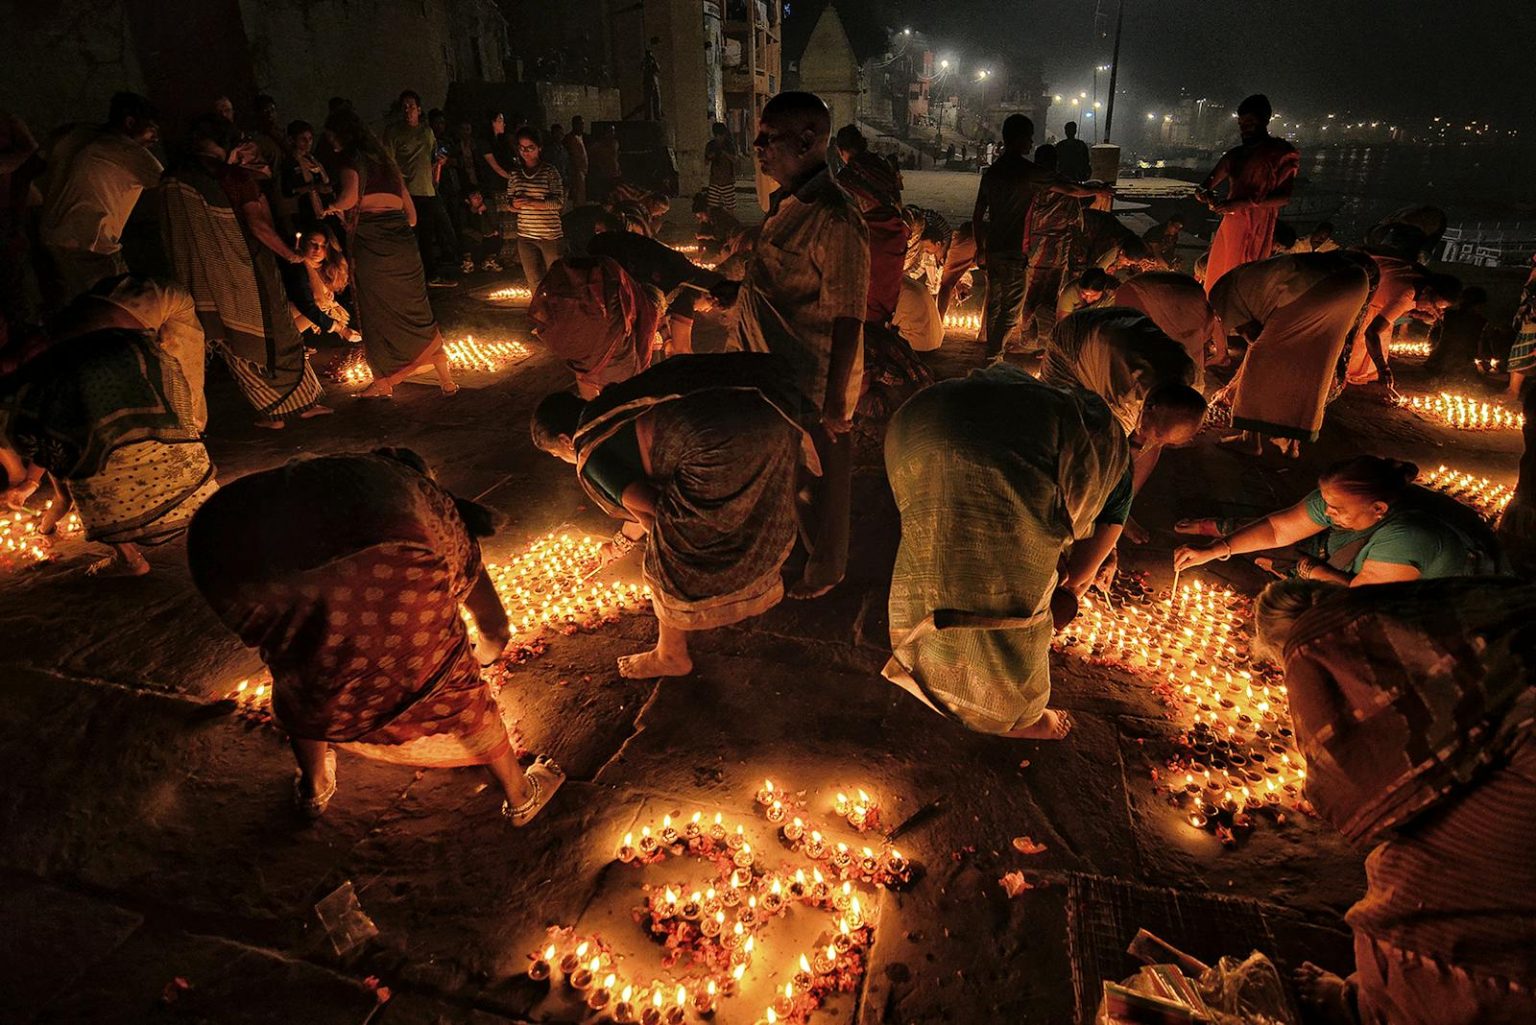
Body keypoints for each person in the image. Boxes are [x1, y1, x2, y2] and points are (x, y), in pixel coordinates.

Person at [186, 449, 565, 824]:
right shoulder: (429, 512)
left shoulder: (339, 481)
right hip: (286, 551)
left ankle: (313, 787)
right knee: (453, 684)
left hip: (222, 544)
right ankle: (520, 797)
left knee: (303, 664)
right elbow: (494, 627)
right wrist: (476, 660)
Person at [1251, 577, 1536, 1025]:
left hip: (1519, 806)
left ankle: (1375, 1007)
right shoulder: (1435, 631)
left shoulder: (1328, 650)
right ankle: (1363, 1000)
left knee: (1426, 905)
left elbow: (1352, 780)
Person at [882, 361, 1132, 741]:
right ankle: (1017, 715)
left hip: (918, 424)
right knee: (1015, 601)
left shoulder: (1061, 419)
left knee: (935, 553)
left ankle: (928, 673)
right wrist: (1071, 588)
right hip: (994, 456)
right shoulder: (1110, 458)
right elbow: (1079, 573)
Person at [532, 354, 816, 677]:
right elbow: (636, 504)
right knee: (758, 499)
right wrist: (618, 545)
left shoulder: (589, 448)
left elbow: (654, 509)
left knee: (664, 558)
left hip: (718, 445)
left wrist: (667, 548)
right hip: (772, 415)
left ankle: (671, 654)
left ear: (565, 441)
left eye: (558, 455)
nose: (565, 458)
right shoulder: (612, 406)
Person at [712, 91, 869, 599]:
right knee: (793, 472)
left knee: (828, 481)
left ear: (806, 140)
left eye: (767, 137)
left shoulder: (835, 217)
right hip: (772, 372)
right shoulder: (785, 207)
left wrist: (836, 401)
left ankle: (829, 566)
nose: (756, 147)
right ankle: (800, 549)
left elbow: (849, 314)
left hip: (815, 378)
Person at [0, 306, 217, 577]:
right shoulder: (39, 347)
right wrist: (41, 514)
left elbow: (58, 478)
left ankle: (130, 559)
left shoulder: (33, 392)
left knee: (91, 476)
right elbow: (58, 483)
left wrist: (34, 498)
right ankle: (216, 521)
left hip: (114, 380)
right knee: (149, 451)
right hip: (143, 370)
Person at [160, 115, 329, 428]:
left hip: (206, 282)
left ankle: (272, 413)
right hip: (249, 270)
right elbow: (257, 224)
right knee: (278, 331)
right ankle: (300, 404)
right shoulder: (233, 177)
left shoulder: (173, 177)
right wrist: (291, 256)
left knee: (233, 343)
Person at [1173, 455, 1502, 585]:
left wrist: (1314, 572)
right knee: (1276, 545)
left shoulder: (1408, 536)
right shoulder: (1342, 495)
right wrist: (1213, 551)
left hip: (1443, 597)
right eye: (1326, 503)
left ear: (1378, 509)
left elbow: (1360, 599)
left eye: (1337, 509)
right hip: (1355, 555)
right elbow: (1278, 528)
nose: (1328, 513)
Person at [321, 108, 456, 398]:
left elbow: (348, 198)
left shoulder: (351, 159)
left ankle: (384, 381)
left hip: (374, 247)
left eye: (332, 138)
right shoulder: (387, 163)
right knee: (417, 309)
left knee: (377, 312)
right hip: (404, 247)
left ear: (340, 136)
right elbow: (412, 218)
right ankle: (445, 377)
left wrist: (330, 206)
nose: (331, 144)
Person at [1208, 251, 1374, 451]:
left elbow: (1256, 341)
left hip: (1314, 288)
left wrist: (1231, 389)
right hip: (1355, 282)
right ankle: (1292, 441)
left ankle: (1250, 440)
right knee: (1314, 361)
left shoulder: (1221, 298)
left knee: (1260, 360)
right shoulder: (1242, 281)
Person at [972, 114, 1108, 359]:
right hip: (1016, 251)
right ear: (1020, 138)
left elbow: (979, 213)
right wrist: (1098, 189)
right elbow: (1070, 189)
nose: (1031, 142)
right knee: (1011, 310)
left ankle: (991, 351)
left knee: (996, 301)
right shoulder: (1029, 172)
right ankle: (993, 358)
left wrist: (980, 248)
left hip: (994, 248)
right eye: (1029, 136)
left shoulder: (993, 172)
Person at [1040, 307, 1208, 503]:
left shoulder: (1192, 384)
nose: (1155, 442)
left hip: (1125, 325)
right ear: (1149, 405)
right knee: (1054, 412)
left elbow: (1151, 441)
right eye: (1145, 427)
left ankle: (1121, 506)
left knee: (1149, 437)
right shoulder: (1125, 393)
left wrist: (1120, 508)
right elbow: (1108, 454)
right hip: (1075, 338)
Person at [39, 92, 161, 300]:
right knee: (117, 308)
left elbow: (26, 172)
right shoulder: (130, 153)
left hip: (51, 239)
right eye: (151, 131)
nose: (156, 139)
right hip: (93, 247)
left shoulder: (72, 133)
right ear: (130, 122)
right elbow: (172, 186)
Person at [1196, 94, 1299, 295]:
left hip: (1259, 221)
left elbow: (1283, 197)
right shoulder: (1235, 155)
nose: (1245, 128)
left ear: (1265, 120)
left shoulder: (1281, 153)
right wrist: (1206, 196)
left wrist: (1244, 202)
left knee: (1245, 278)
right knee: (1221, 273)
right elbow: (1203, 187)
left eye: (1250, 122)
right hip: (1233, 222)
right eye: (1241, 123)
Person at [589, 214, 721, 355]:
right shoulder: (686, 292)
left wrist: (667, 340)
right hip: (606, 261)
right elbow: (683, 350)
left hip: (610, 253)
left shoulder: (685, 276)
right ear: (707, 294)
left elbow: (660, 308)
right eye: (710, 307)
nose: (706, 311)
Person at [528, 255, 657, 396]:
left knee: (586, 372)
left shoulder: (598, 268)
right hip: (606, 341)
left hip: (574, 339)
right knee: (625, 393)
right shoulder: (647, 306)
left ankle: (591, 412)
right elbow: (646, 335)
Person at [1342, 257, 1459, 399]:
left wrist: (1419, 315)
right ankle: (1344, 372)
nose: (1432, 310)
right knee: (1359, 345)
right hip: (1360, 290)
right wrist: (1383, 368)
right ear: (1428, 290)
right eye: (1433, 305)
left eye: (1440, 310)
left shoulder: (1421, 283)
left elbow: (1402, 308)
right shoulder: (1405, 294)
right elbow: (1372, 332)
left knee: (1378, 340)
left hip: (1375, 293)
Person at [382, 90, 458, 286]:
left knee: (435, 231)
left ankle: (435, 272)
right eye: (404, 107)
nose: (408, 110)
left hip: (429, 189)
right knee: (413, 235)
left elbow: (433, 157)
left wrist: (439, 164)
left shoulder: (426, 131)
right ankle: (417, 276)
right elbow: (388, 163)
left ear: (419, 109)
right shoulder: (393, 133)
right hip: (408, 192)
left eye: (411, 106)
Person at [835, 124, 906, 329]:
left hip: (871, 242)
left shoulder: (846, 178)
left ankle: (869, 352)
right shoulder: (883, 165)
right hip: (895, 237)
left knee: (867, 305)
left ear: (841, 151)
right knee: (885, 303)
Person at [1018, 144, 1088, 350]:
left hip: (1035, 250)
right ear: (1056, 163)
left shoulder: (1031, 184)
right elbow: (1077, 223)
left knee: (1030, 294)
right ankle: (1043, 339)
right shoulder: (1066, 185)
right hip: (1058, 251)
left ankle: (1028, 337)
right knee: (1048, 296)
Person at [1113, 270, 1225, 391]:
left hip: (1167, 294)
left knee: (1184, 359)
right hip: (1155, 293)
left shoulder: (1192, 321)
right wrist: (1221, 353)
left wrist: (1221, 353)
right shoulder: (1196, 318)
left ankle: (1188, 391)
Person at [506, 127, 566, 290]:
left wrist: (531, 202)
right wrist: (515, 205)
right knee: (534, 281)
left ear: (539, 148)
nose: (525, 152)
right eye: (522, 148)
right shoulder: (515, 174)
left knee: (557, 279)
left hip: (550, 236)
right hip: (526, 236)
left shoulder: (549, 172)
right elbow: (509, 203)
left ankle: (559, 312)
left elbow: (558, 202)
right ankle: (540, 312)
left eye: (530, 148)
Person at [282, 228, 359, 346]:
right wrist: (341, 329)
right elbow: (310, 304)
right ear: (303, 243)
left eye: (323, 246)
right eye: (313, 244)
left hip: (294, 327)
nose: (318, 249)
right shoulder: (299, 266)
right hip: (279, 319)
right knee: (322, 303)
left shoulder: (324, 272)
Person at [278, 120, 334, 238]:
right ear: (292, 140)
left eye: (310, 139)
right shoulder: (290, 162)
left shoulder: (314, 160)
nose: (308, 143)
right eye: (303, 139)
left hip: (325, 210)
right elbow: (287, 191)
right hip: (305, 213)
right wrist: (312, 187)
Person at [1423, 284, 1489, 378]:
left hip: (1438, 360)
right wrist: (1482, 361)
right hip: (1461, 362)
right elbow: (1479, 343)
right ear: (1479, 305)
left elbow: (1437, 334)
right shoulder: (1480, 321)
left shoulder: (1449, 315)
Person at [480, 112, 518, 268]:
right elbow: (494, 166)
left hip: (506, 187)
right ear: (492, 122)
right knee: (499, 223)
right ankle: (498, 257)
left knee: (511, 222)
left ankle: (511, 257)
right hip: (494, 186)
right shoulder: (485, 143)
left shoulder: (504, 143)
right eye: (500, 120)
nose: (504, 123)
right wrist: (510, 177)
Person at [1507, 253, 1536, 398]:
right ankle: (1513, 390)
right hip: (1527, 322)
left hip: (1533, 325)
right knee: (1520, 356)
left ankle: (1515, 391)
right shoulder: (1534, 273)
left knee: (1527, 355)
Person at [705, 122, 737, 212]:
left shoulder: (729, 144)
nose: (719, 138)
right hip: (715, 180)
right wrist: (711, 156)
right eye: (717, 136)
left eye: (721, 136)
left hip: (727, 180)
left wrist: (725, 153)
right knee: (712, 206)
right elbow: (706, 161)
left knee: (730, 207)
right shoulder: (711, 145)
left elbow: (734, 159)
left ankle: (731, 224)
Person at [587, 124, 622, 204]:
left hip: (615, 173)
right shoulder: (597, 146)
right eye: (610, 131)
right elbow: (592, 158)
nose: (612, 133)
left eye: (613, 131)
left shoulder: (615, 143)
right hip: (604, 174)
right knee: (605, 194)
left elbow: (616, 157)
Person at [564, 116, 589, 205]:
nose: (582, 126)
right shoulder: (570, 138)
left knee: (581, 195)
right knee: (578, 196)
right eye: (580, 124)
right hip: (576, 171)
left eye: (582, 124)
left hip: (582, 171)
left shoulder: (581, 137)